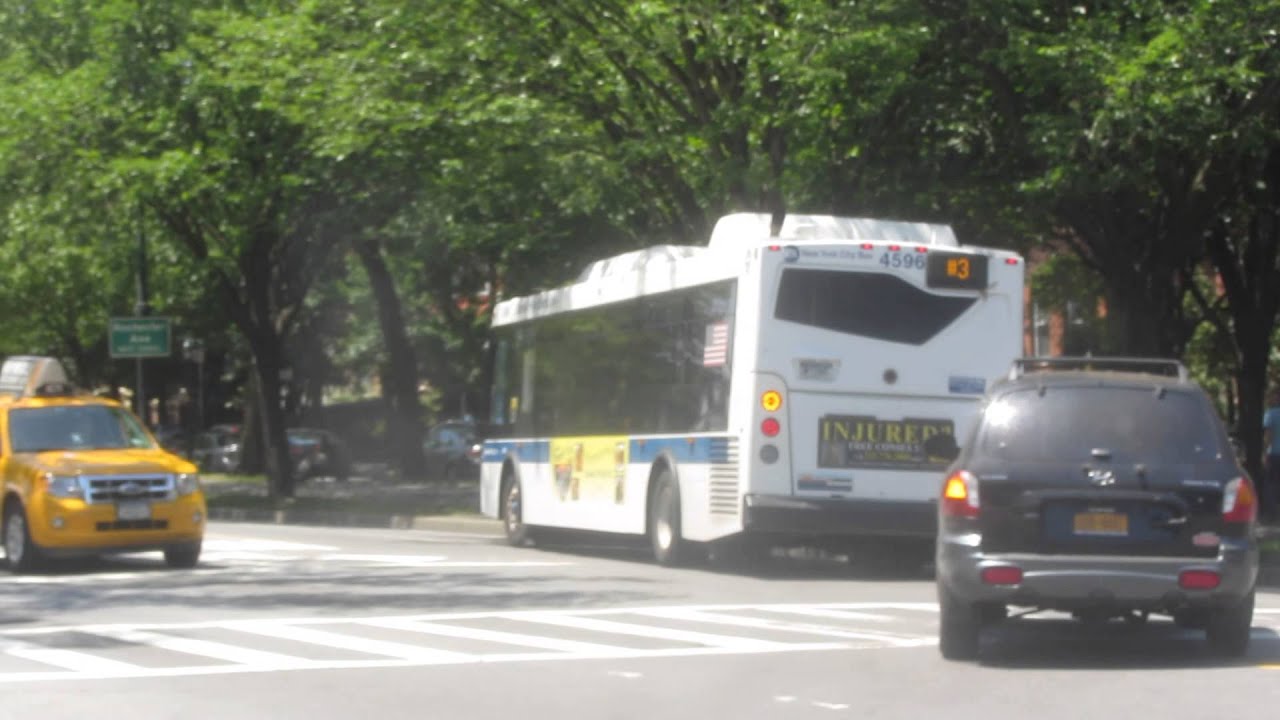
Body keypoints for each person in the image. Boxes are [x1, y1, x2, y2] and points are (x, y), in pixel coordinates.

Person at [1263, 389, 1280, 522]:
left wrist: (1264, 453)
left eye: (1271, 396)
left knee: (1271, 484)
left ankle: (1273, 514)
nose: (1269, 399)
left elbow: (1269, 435)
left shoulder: (1271, 414)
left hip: (1274, 453)